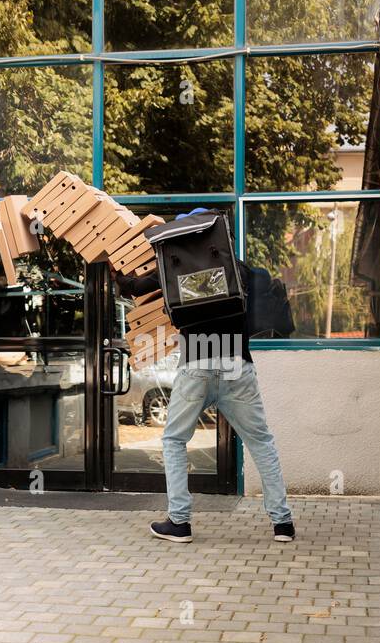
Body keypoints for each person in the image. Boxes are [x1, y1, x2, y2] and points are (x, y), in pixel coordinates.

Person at [117, 211, 295, 545]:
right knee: (260, 442)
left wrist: (117, 269)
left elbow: (133, 287)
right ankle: (282, 523)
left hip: (197, 362)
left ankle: (179, 522)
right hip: (236, 362)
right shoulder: (237, 267)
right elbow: (270, 296)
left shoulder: (172, 268)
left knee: (173, 441)